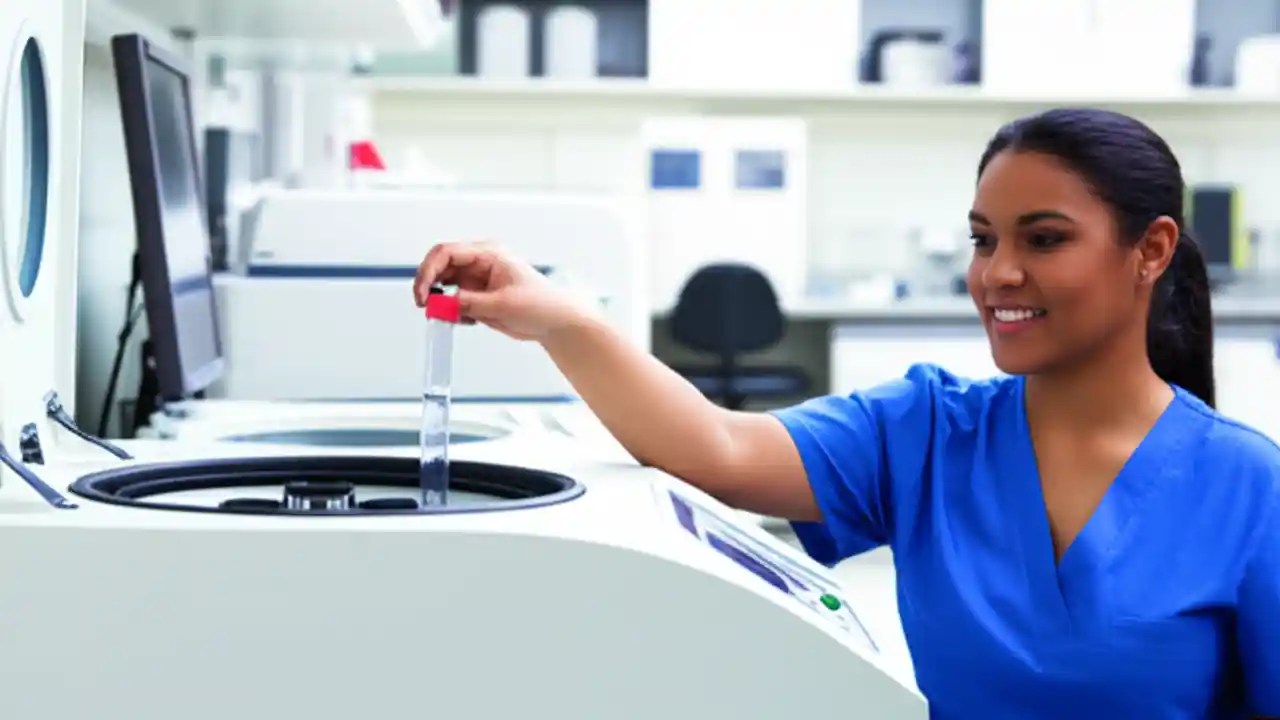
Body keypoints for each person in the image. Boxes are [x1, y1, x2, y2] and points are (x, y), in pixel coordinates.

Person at [413, 107, 1280, 719]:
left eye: (1043, 239)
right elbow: (715, 445)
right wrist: (559, 317)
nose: (997, 274)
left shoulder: (1249, 488)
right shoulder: (928, 432)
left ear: (1152, 250)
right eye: (984, 240)